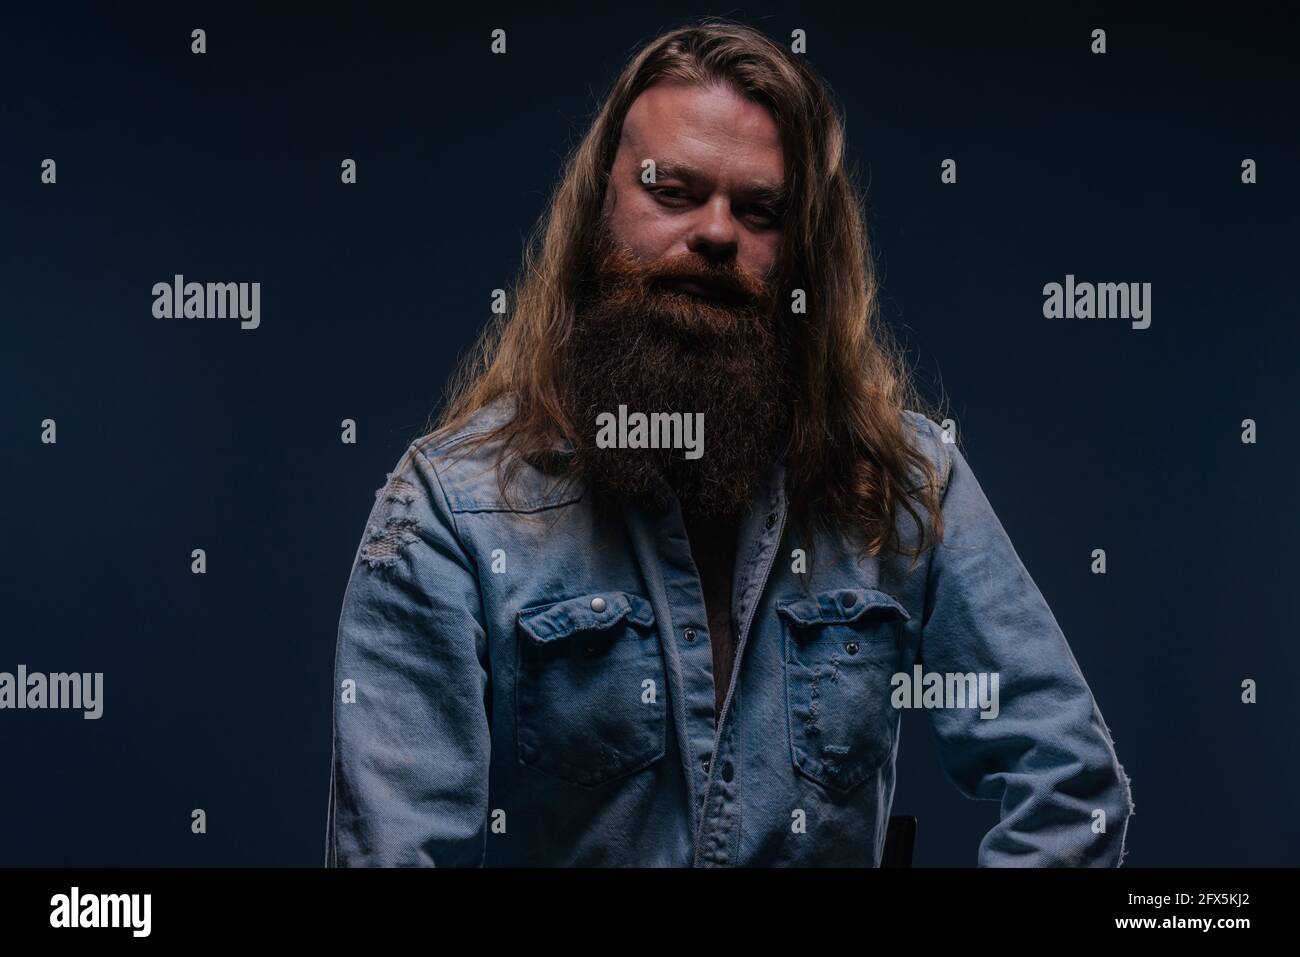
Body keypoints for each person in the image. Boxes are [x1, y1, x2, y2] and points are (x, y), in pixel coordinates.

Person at [324, 19, 1134, 867]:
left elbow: (1072, 786)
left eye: (760, 211)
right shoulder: (448, 515)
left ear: (805, 250)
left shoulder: (906, 481)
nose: (716, 232)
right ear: (598, 210)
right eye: (671, 191)